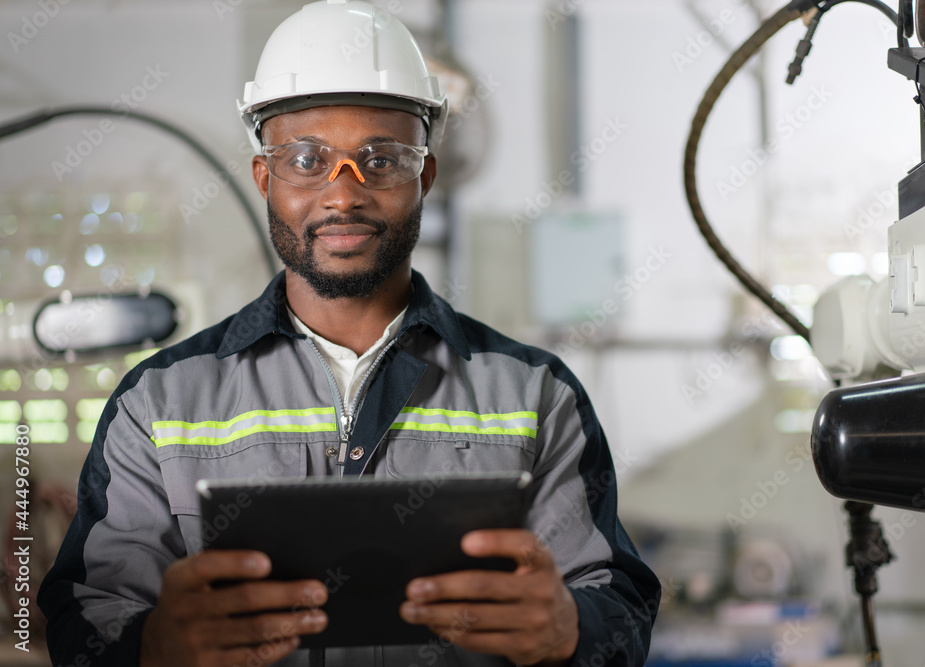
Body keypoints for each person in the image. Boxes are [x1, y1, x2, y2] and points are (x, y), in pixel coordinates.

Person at [37, 2, 661, 665]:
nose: (344, 193)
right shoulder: (159, 403)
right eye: (307, 158)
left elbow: (619, 611)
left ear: (424, 176)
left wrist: (570, 630)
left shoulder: (535, 394)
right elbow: (81, 617)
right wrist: (150, 644)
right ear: (265, 177)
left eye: (381, 158)